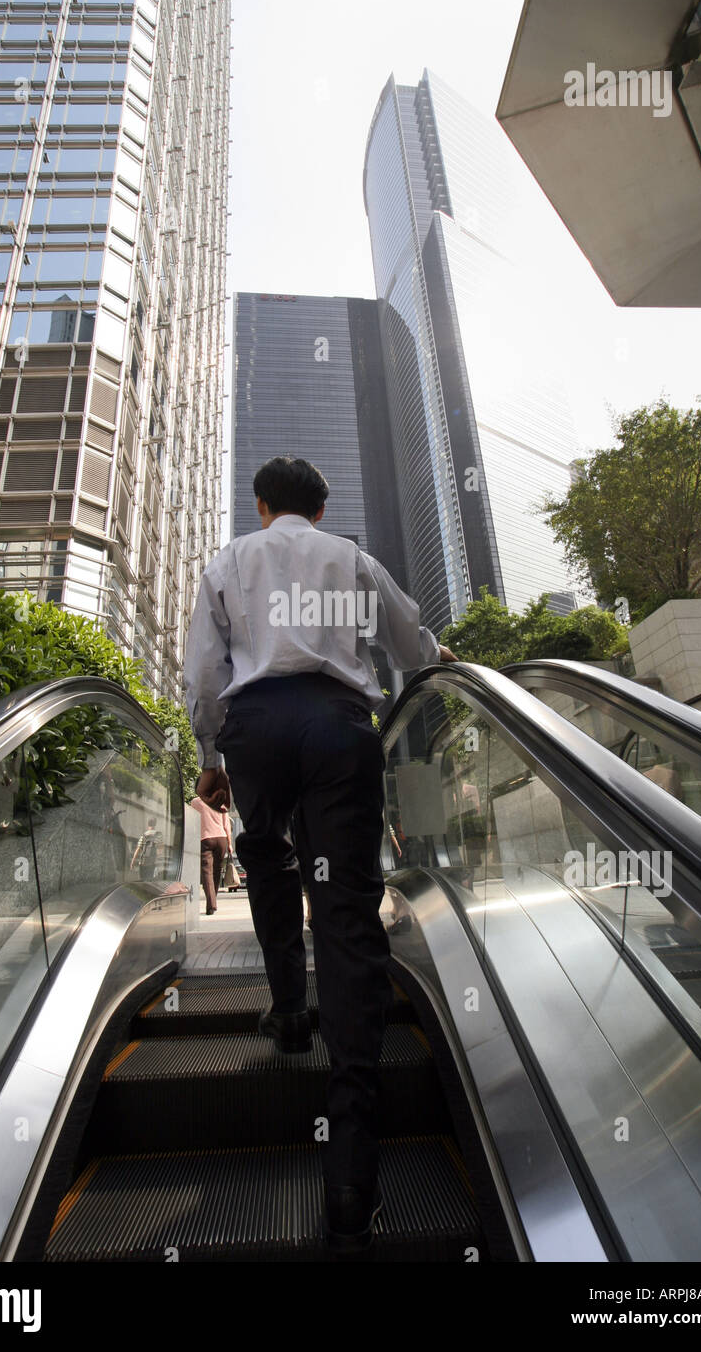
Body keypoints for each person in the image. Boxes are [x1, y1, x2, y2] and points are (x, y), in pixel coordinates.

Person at [183, 456, 456, 1253]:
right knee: (344, 913)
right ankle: (349, 1182)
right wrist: (440, 669)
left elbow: (205, 669)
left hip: (258, 731)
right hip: (340, 728)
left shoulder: (230, 560)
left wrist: (211, 753)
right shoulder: (351, 559)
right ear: (321, 505)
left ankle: (291, 1012)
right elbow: (413, 641)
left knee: (266, 859)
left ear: (263, 506)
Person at [189, 795, 233, 914]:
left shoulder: (195, 802)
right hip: (222, 839)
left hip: (205, 839)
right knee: (217, 870)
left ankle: (211, 904)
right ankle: (213, 900)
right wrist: (230, 843)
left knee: (206, 872)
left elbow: (192, 822)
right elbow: (227, 825)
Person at [130, 816, 161, 881]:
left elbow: (138, 849)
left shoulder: (144, 835)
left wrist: (132, 861)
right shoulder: (158, 834)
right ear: (155, 824)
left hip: (143, 862)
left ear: (147, 824)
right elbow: (160, 850)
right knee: (150, 881)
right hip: (152, 863)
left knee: (142, 881)